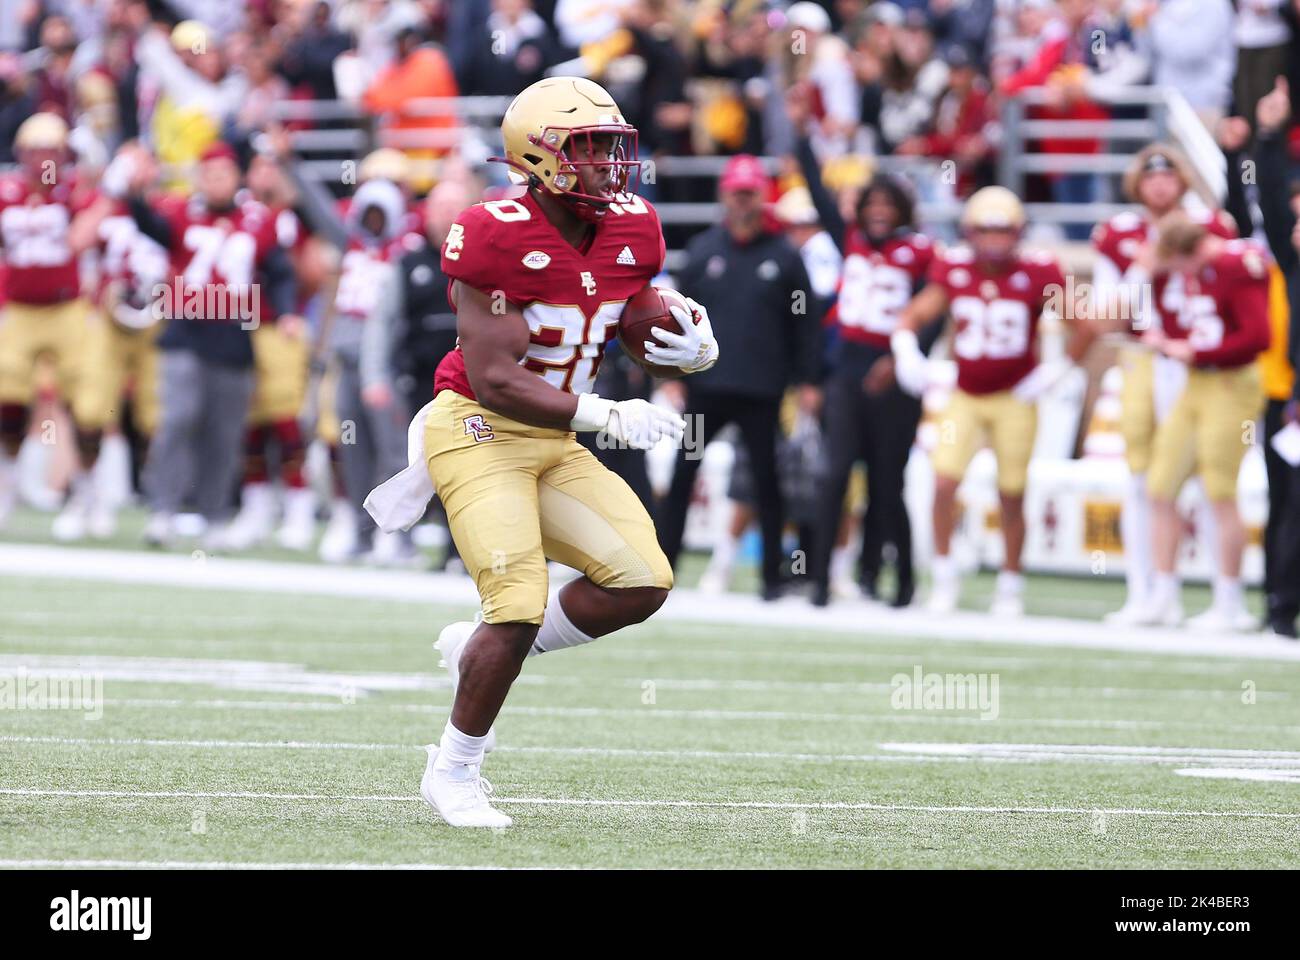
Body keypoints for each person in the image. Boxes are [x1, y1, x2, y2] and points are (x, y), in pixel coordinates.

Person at [375, 77, 717, 828]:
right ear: (540, 156)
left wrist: (684, 349)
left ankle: (482, 647)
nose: (608, 166)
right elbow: (496, 378)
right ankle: (454, 771)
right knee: (519, 601)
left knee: (642, 580)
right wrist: (604, 412)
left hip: (553, 437)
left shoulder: (634, 226)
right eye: (590, 150)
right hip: (476, 430)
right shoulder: (493, 230)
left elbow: (630, 318)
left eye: (612, 149)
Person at [891, 186, 1097, 615]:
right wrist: (906, 350)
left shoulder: (1038, 272)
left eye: (1002, 232)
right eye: (986, 231)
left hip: (1015, 397)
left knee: (1012, 493)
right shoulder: (954, 268)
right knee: (944, 483)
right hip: (965, 394)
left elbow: (1086, 325)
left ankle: (1010, 584)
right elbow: (912, 316)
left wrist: (1054, 373)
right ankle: (944, 578)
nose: (994, 241)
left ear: (1018, 233)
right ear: (970, 232)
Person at [108, 140, 301, 545]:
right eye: (208, 174)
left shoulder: (257, 220)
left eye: (223, 174)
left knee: (224, 431)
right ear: (199, 178)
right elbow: (150, 226)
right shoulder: (180, 212)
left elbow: (279, 271)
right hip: (185, 332)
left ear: (237, 178)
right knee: (178, 418)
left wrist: (285, 313)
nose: (216, 183)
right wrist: (135, 192)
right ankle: (163, 509)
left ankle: (214, 515)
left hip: (233, 335)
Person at [656, 154, 823, 601]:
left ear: (762, 195)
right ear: (724, 194)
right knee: (681, 477)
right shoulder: (704, 250)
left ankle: (771, 576)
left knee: (769, 484)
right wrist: (669, 374)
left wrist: (808, 381)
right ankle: (661, 570)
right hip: (704, 388)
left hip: (762, 391)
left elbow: (805, 321)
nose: (743, 200)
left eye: (750, 192)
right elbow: (674, 315)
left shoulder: (785, 256)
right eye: (736, 192)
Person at [1090, 144, 1238, 625]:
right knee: (1142, 478)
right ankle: (1148, 592)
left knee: (1211, 479)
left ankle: (1224, 599)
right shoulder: (1119, 234)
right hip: (1143, 359)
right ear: (1138, 182)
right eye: (1150, 176)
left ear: (1182, 180)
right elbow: (1106, 315)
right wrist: (1144, 267)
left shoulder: (1211, 226)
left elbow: (1236, 294)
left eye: (1169, 175)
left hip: (1204, 364)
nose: (1159, 184)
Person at [1138, 214, 1271, 631]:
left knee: (1219, 488)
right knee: (1160, 484)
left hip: (1232, 384)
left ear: (1190, 251)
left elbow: (1257, 337)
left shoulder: (1235, 264)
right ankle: (1163, 595)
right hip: (1196, 384)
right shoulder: (1207, 265)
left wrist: (1194, 352)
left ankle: (1229, 601)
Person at [0, 113, 99, 531]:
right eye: (36, 151)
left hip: (67, 309)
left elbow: (90, 223)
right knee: (7, 399)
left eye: (51, 151)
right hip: (20, 309)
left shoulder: (73, 193)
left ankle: (87, 494)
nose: (43, 160)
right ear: (22, 154)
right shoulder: (7, 193)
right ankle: (7, 487)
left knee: (88, 405)